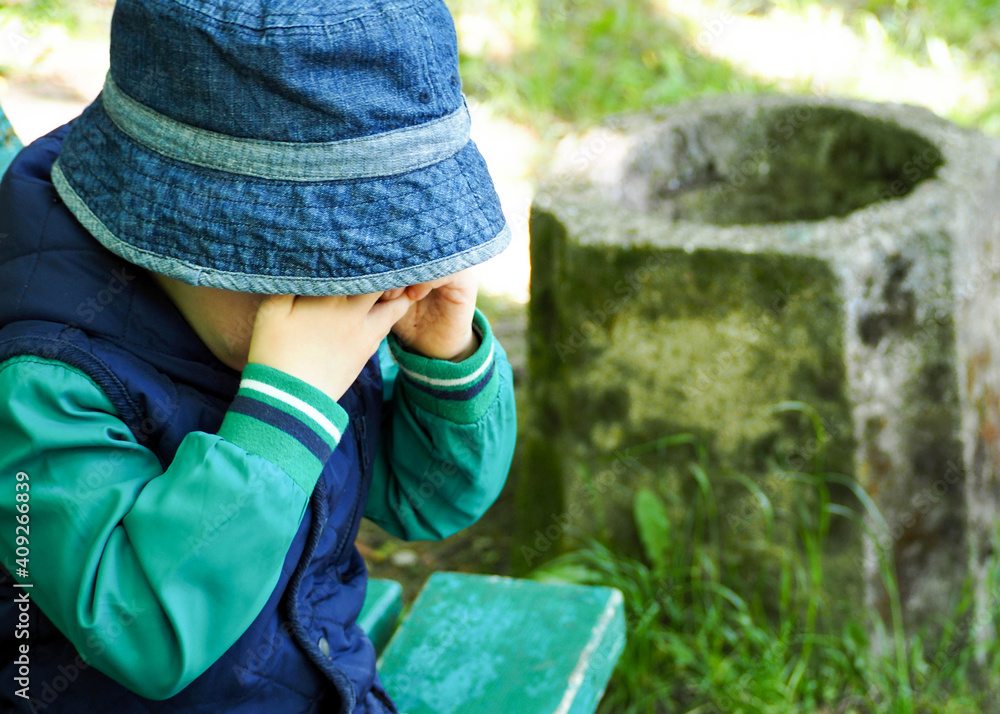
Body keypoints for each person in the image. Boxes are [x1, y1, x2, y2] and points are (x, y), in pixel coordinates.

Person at [0, 0, 517, 712]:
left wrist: (443, 357)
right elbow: (136, 633)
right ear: (176, 225)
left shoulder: (307, 300)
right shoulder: (43, 378)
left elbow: (425, 503)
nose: (367, 285)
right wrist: (282, 415)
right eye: (329, 251)